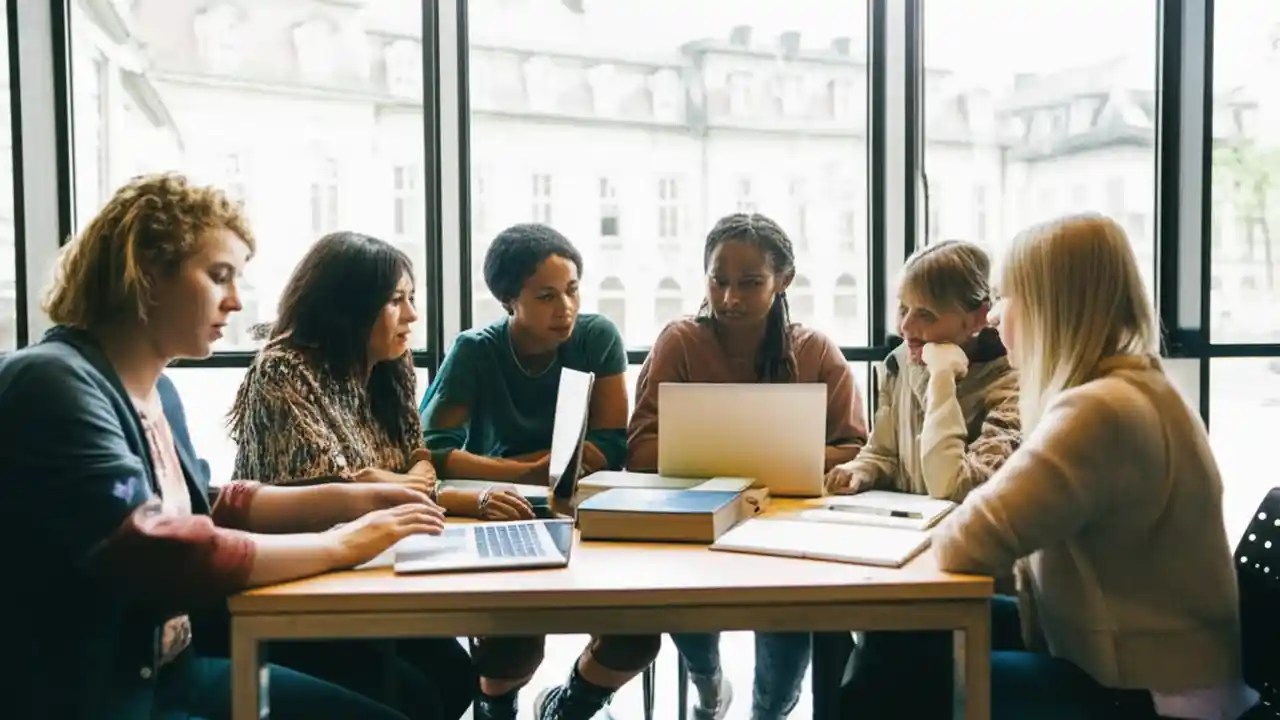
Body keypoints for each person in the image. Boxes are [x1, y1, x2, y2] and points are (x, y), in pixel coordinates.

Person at [0, 173, 445, 719]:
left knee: (414, 697)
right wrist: (341, 544)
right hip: (101, 695)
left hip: (176, 671)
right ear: (144, 274)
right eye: (218, 276)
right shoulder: (51, 383)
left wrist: (359, 500)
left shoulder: (158, 391)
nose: (235, 302)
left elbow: (209, 507)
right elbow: (160, 546)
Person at [930, 214, 1258, 719]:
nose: (992, 316)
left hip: (1151, 697)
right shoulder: (1139, 387)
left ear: (1051, 306)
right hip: (1173, 679)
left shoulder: (1100, 411)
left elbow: (966, 541)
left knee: (914, 669)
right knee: (920, 640)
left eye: (1004, 296)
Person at [227, 231, 481, 720]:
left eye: (412, 298)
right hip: (299, 585)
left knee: (454, 673)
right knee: (420, 693)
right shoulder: (284, 370)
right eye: (396, 301)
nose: (412, 315)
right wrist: (383, 481)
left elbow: (414, 459)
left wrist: (391, 476)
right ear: (350, 307)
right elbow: (328, 491)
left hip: (374, 567)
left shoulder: (391, 364)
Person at [628, 212, 868, 720]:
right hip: (695, 522)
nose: (730, 298)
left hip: (791, 528)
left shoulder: (814, 351)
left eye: (750, 283)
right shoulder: (680, 342)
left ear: (784, 281)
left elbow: (855, 449)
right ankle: (707, 680)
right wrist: (776, 459)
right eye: (718, 281)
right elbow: (641, 452)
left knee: (787, 608)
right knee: (681, 581)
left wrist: (732, 457)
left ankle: (769, 712)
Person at [420, 223, 659, 720]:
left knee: (636, 637)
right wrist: (530, 472)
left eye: (572, 290)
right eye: (547, 296)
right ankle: (496, 706)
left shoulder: (596, 337)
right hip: (502, 514)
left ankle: (569, 706)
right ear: (509, 300)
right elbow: (434, 453)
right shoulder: (475, 350)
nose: (565, 307)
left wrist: (541, 468)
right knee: (512, 647)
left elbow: (611, 442)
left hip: (581, 513)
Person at [825, 240, 1022, 717]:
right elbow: (884, 450)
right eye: (903, 309)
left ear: (977, 318)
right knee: (855, 652)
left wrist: (942, 381)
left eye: (926, 314)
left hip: (968, 572)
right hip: (905, 557)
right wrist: (861, 470)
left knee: (884, 675)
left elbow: (954, 485)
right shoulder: (900, 362)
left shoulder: (1012, 382)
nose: (907, 327)